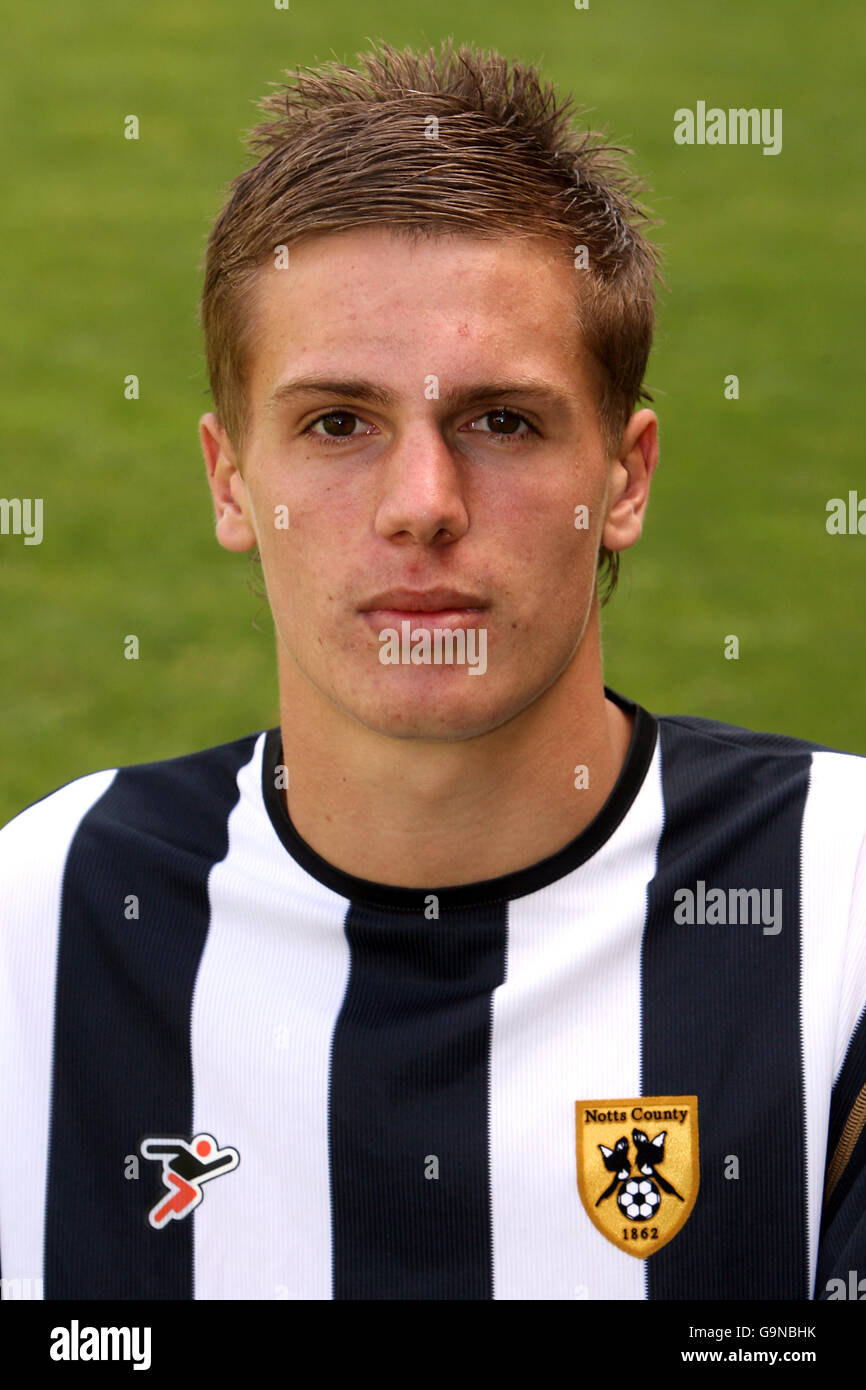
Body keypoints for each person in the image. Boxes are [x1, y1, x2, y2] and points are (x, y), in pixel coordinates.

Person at [1, 40, 863, 1303]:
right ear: (229, 477)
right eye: (336, 423)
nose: (421, 505)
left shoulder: (840, 907)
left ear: (623, 477)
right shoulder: (42, 921)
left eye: (500, 420)